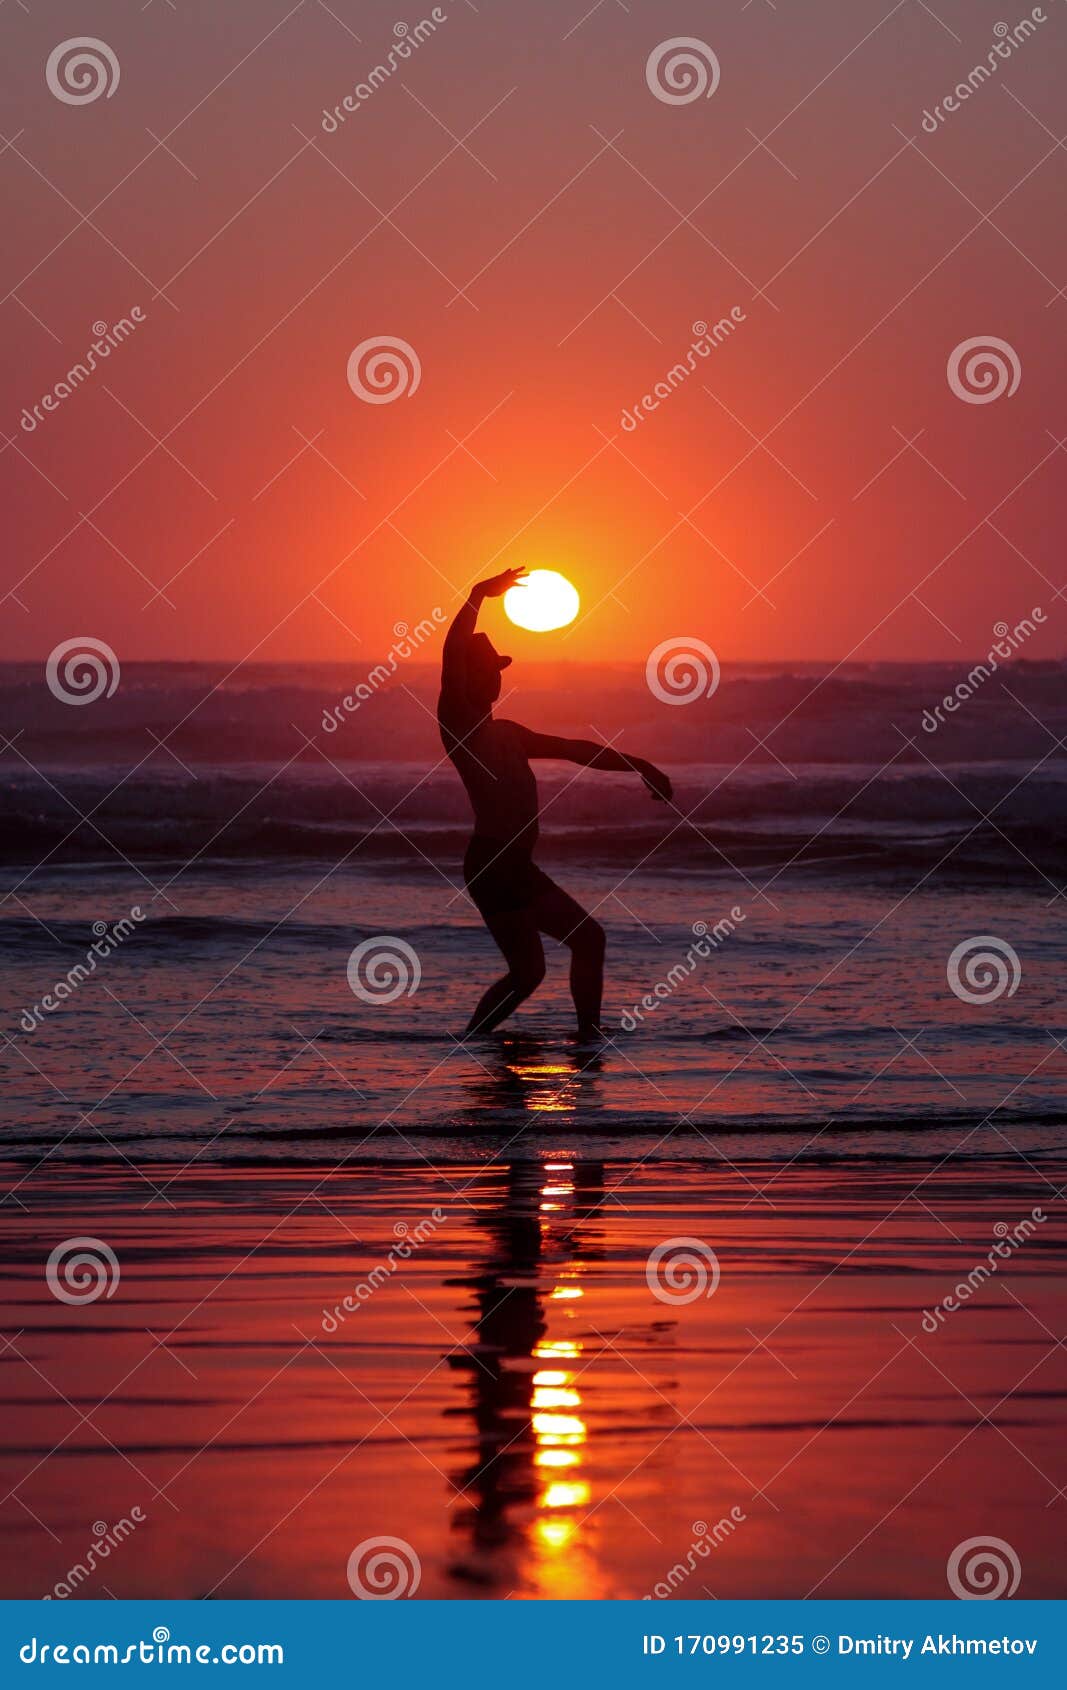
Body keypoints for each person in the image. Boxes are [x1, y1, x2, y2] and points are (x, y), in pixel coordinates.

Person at [438, 567, 673, 1040]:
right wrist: (477, 594)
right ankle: (582, 1038)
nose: (495, 680)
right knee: (570, 949)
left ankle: (491, 1041)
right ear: (470, 676)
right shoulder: (459, 724)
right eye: (486, 671)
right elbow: (450, 657)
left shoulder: (508, 733)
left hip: (513, 865)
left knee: (542, 967)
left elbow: (574, 749)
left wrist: (640, 764)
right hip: (494, 866)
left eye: (497, 673)